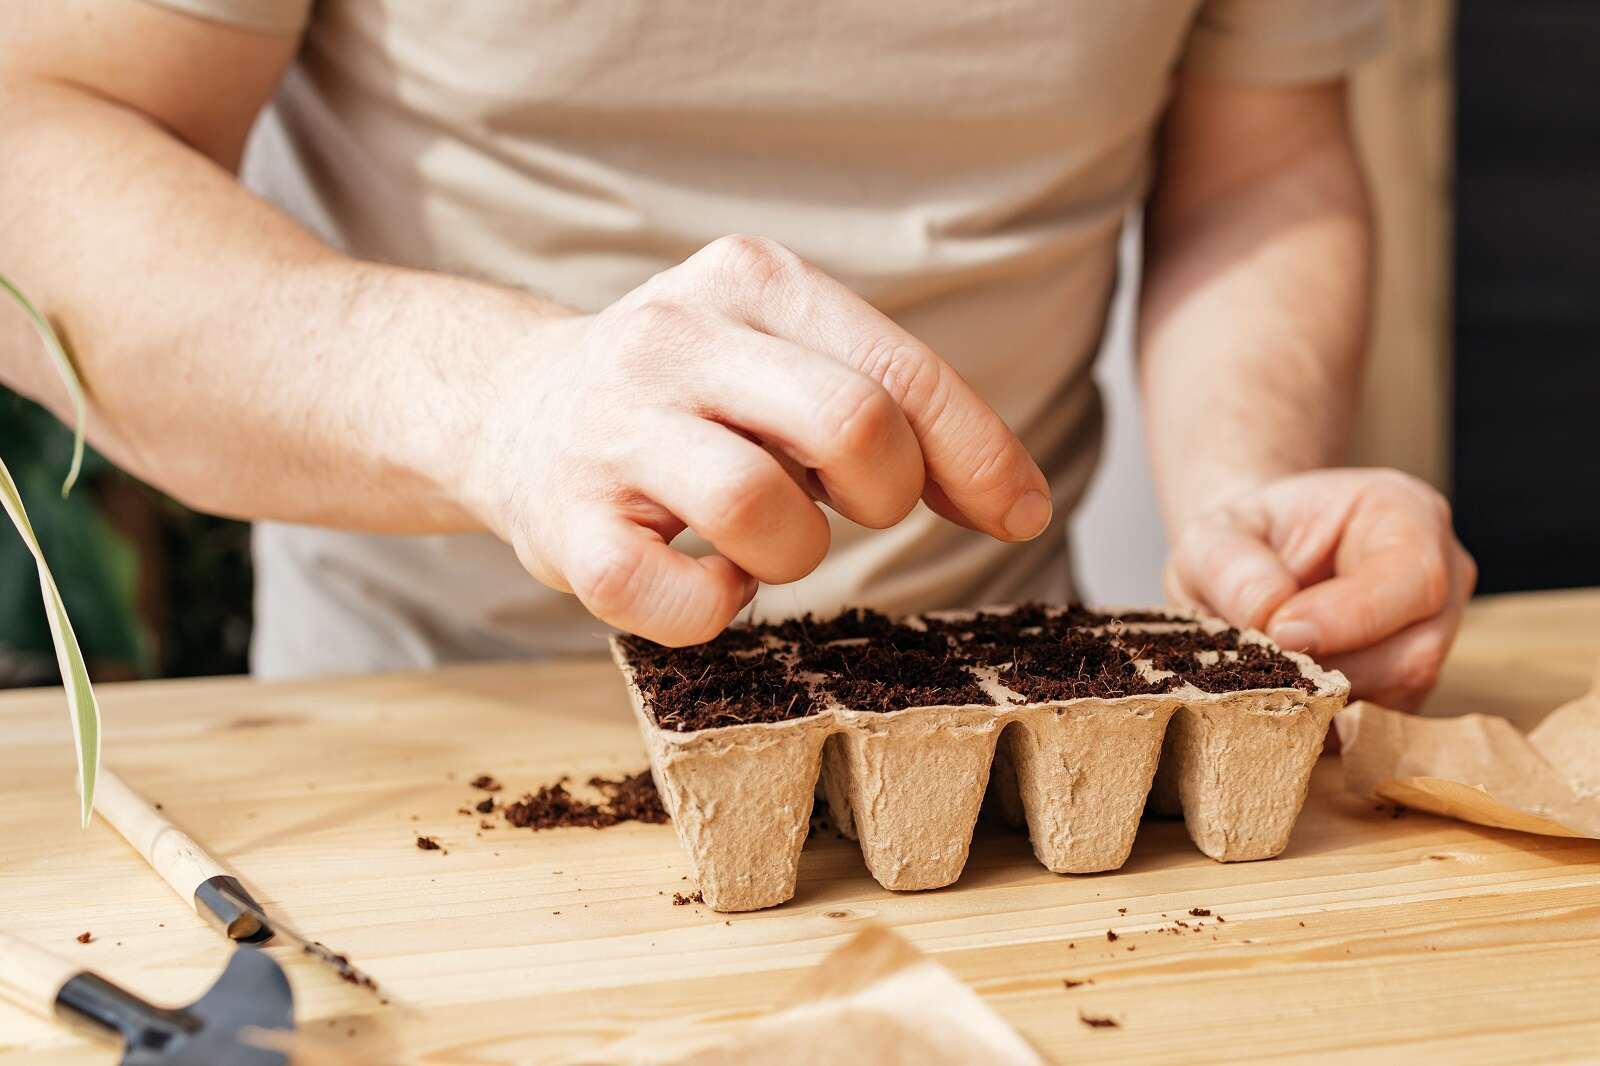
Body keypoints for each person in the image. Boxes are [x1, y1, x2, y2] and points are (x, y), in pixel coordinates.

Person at [0, 0, 1473, 710]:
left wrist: (1252, 491)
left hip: (992, 736)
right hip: (428, 725)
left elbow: (1258, 167)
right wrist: (502, 404)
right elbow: (31, 144)